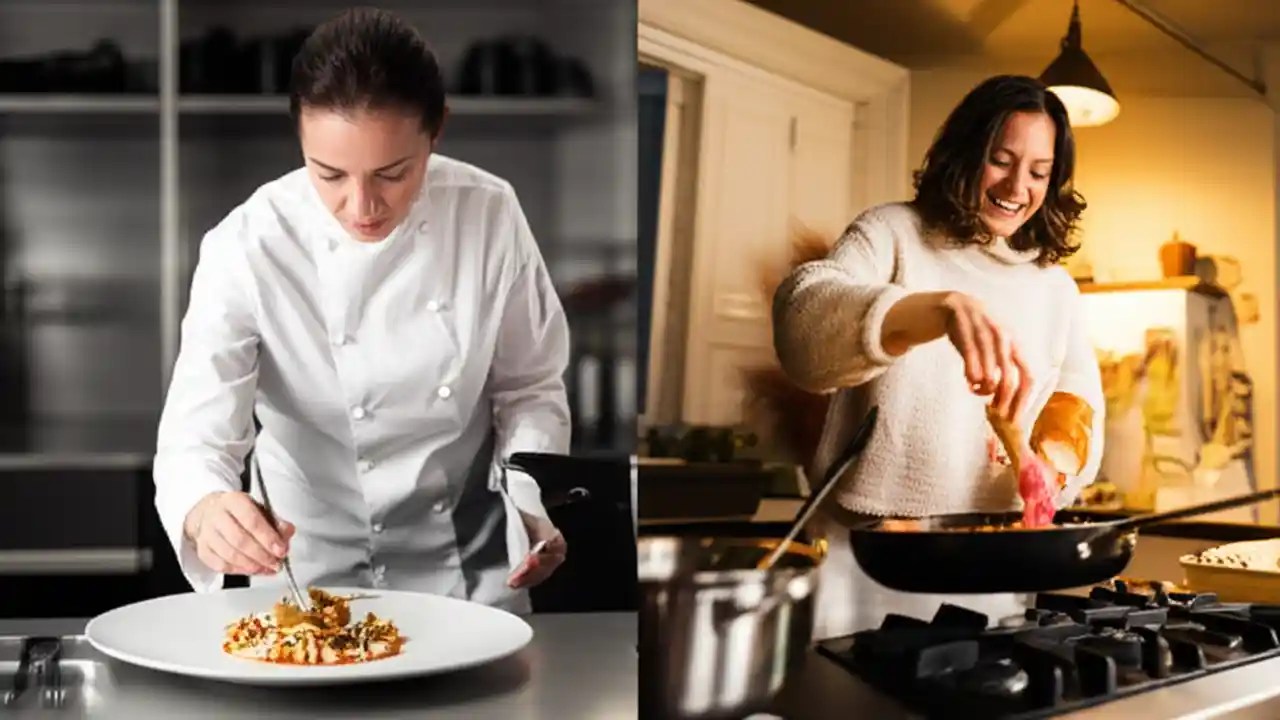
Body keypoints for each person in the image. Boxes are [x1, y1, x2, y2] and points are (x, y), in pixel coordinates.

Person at [153, 7, 569, 615]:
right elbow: (198, 434)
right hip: (300, 565)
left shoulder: (488, 213)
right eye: (329, 174)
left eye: (393, 173)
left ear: (438, 131)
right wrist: (206, 508)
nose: (361, 205)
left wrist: (534, 504)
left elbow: (529, 386)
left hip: (468, 566)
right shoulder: (247, 244)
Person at [771, 75, 1106, 640]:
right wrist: (934, 311)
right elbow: (801, 322)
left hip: (993, 566)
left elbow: (1078, 403)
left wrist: (1044, 464)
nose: (1017, 186)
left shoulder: (1053, 287)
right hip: (867, 559)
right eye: (1000, 160)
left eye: (1039, 172)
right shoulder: (892, 233)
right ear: (965, 152)